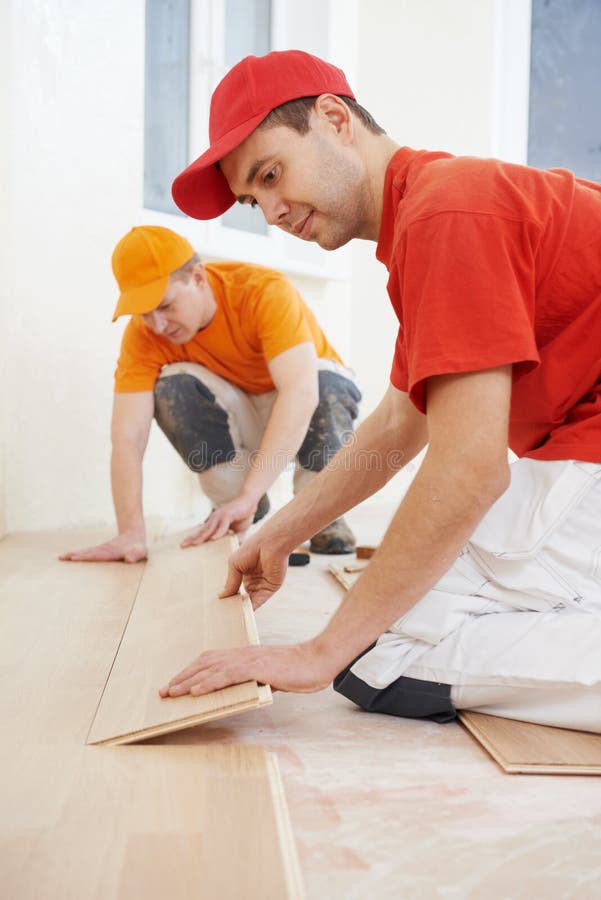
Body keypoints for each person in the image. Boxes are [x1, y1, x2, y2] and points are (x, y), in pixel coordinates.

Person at [159, 50, 601, 733]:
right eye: (254, 199)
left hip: (588, 449)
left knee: (376, 654)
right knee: (396, 615)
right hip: (579, 453)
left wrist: (319, 651)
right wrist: (282, 531)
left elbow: (467, 469)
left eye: (271, 174)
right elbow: (403, 419)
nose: (272, 211)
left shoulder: (446, 213)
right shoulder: (436, 209)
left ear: (334, 119)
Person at [60, 224, 361, 564]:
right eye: (145, 313)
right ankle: (236, 504)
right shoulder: (145, 336)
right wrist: (130, 532)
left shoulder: (262, 291)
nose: (157, 325)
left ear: (199, 278)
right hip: (243, 415)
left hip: (303, 409)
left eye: (165, 305)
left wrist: (253, 490)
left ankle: (322, 513)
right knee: (173, 387)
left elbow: (301, 394)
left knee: (324, 382)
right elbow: (128, 436)